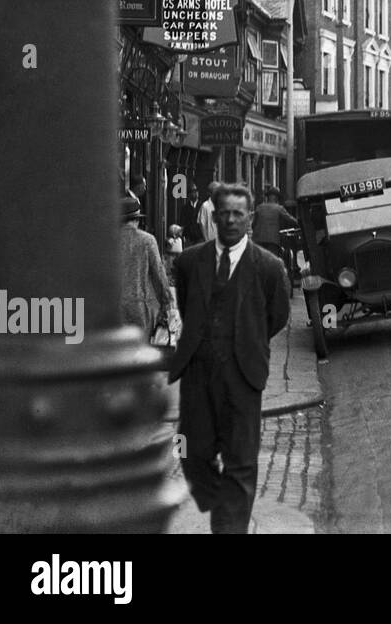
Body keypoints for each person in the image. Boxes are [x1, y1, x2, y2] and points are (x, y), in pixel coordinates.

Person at [170, 184, 291, 534]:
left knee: (241, 461)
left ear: (250, 218)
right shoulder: (190, 261)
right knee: (191, 453)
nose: (231, 220)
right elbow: (186, 303)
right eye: (225, 213)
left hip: (243, 374)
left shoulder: (268, 267)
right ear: (215, 214)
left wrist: (248, 341)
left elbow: (277, 315)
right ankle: (220, 502)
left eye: (239, 213)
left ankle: (229, 528)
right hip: (198, 373)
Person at [119, 192, 173, 338]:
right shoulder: (147, 240)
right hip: (139, 308)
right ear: (136, 220)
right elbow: (159, 275)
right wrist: (166, 304)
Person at [252, 187, 296, 262]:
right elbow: (290, 219)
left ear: (268, 197)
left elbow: (253, 225)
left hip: (258, 240)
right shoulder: (279, 208)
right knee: (271, 262)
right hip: (272, 241)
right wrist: (299, 223)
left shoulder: (259, 207)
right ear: (276, 198)